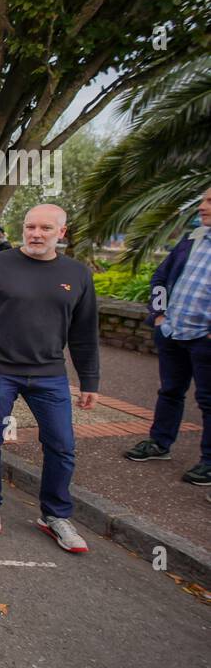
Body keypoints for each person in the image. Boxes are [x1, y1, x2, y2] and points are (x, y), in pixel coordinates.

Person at [0, 204, 99, 554]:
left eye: (45, 228)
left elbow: (85, 333)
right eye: (30, 227)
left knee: (62, 445)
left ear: (62, 232)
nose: (36, 234)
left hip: (49, 374)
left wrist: (90, 381)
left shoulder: (77, 274)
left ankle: (55, 515)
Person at [124, 186, 211, 485]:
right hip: (173, 331)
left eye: (209, 201)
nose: (201, 206)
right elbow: (160, 278)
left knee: (208, 401)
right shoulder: (192, 239)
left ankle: (208, 462)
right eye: (203, 200)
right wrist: (160, 316)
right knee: (170, 391)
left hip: (204, 339)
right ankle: (160, 443)